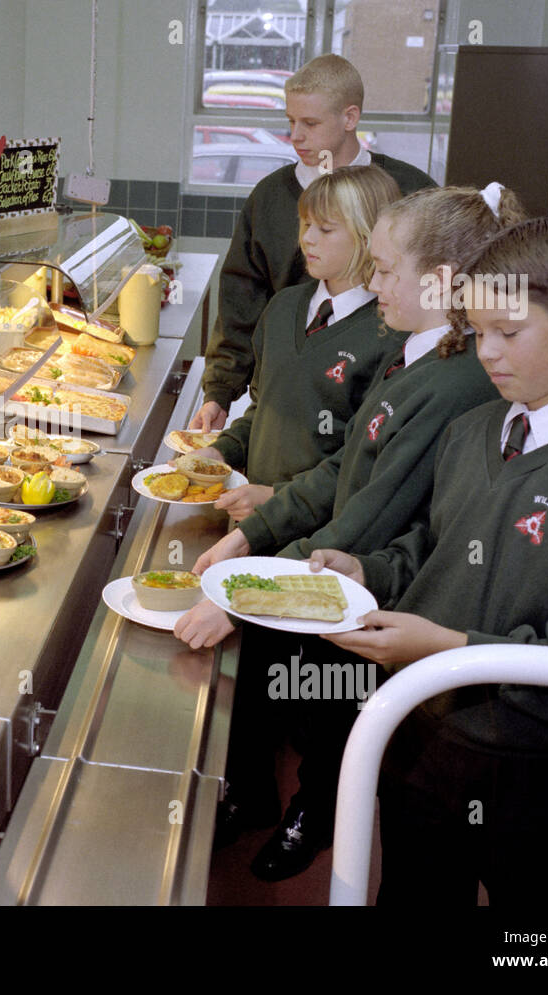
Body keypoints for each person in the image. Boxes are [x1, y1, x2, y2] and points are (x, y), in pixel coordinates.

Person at [311, 216, 548, 905]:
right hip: (421, 732)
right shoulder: (473, 430)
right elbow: (431, 547)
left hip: (536, 773)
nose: (487, 353)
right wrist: (371, 572)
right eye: (477, 332)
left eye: (509, 333)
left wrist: (448, 648)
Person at [178, 183, 526, 879]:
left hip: (374, 593)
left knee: (333, 715)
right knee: (306, 703)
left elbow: (366, 514)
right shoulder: (415, 357)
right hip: (345, 575)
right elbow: (342, 470)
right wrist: (252, 538)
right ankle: (263, 799)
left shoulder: (450, 381)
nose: (375, 281)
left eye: (388, 268)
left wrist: (241, 588)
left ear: (442, 281)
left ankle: (317, 814)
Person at [190, 54, 435, 433]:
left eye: (310, 123)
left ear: (350, 118)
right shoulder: (270, 196)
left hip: (371, 402)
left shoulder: (411, 193)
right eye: (290, 122)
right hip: (279, 398)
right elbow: (241, 300)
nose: (296, 136)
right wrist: (219, 392)